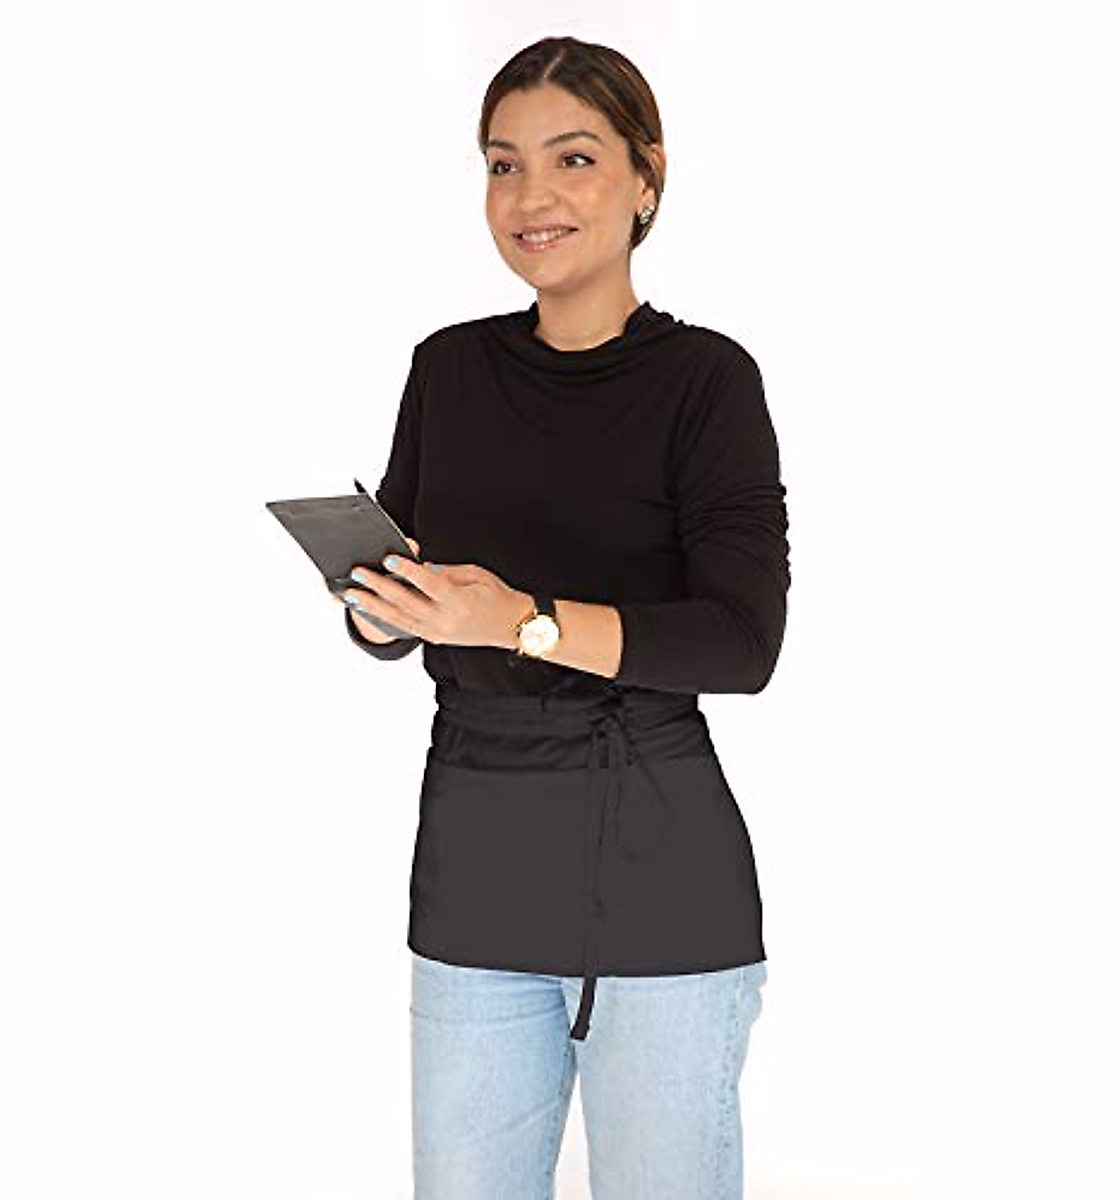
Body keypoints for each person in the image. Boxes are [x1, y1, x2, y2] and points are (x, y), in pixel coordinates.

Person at [334, 34, 789, 1200]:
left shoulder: (707, 382)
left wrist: (523, 622)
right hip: (475, 868)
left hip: (662, 874)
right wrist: (385, 612)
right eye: (504, 164)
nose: (531, 196)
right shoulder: (448, 370)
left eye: (573, 159)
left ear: (647, 177)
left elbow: (742, 643)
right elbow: (410, 601)